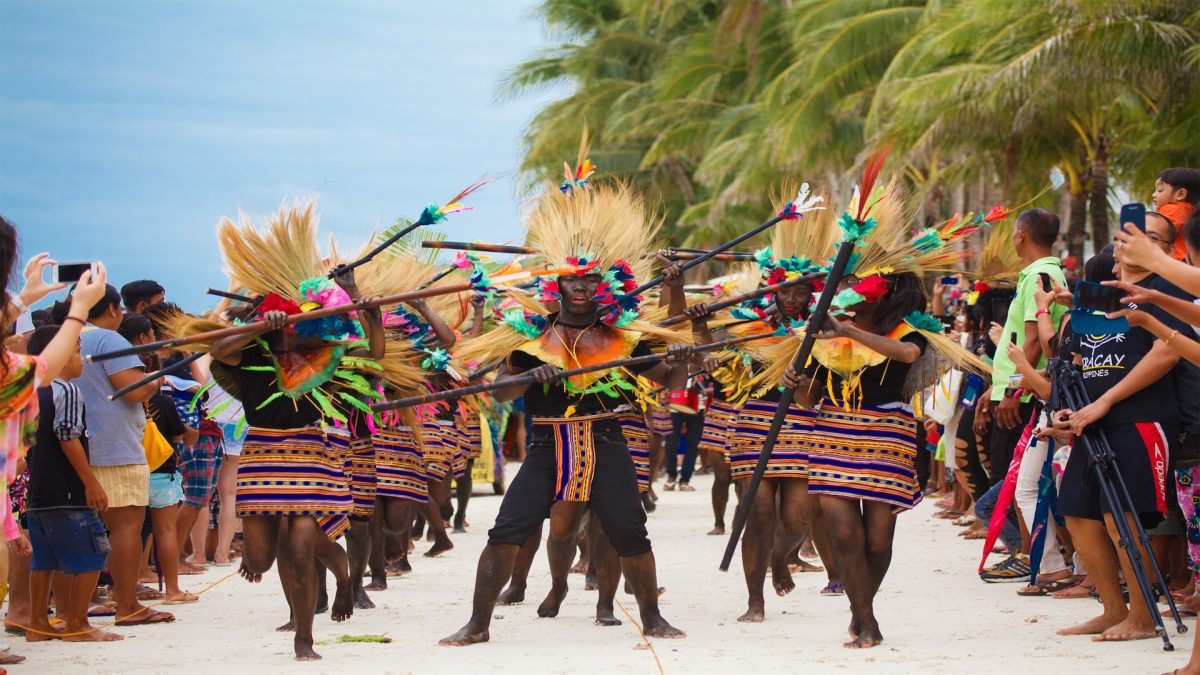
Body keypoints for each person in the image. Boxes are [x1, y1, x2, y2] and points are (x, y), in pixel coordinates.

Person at [441, 181, 689, 646]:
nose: (581, 286)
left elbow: (670, 383)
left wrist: (685, 361)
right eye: (573, 279)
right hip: (546, 446)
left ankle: (652, 617)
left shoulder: (623, 338)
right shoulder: (532, 337)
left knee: (630, 531)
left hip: (606, 443)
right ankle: (478, 623)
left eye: (591, 279)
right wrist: (529, 379)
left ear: (605, 285)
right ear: (557, 283)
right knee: (507, 529)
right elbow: (498, 394)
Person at [1053, 210, 1196, 642]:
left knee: (1123, 518)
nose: (1131, 243)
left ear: (1167, 250)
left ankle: (1142, 615)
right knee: (1077, 511)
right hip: (1092, 420)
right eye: (1125, 236)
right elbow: (1079, 359)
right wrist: (1065, 410)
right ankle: (1111, 608)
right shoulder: (1098, 294)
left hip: (1142, 417)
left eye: (1149, 236)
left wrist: (1104, 403)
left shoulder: (1168, 290)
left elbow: (1166, 353)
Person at [973, 208, 1067, 582]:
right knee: (1009, 481)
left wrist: (1013, 390)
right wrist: (996, 389)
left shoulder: (1040, 276)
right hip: (1017, 389)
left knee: (1013, 483)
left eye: (1013, 232)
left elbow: (1032, 342)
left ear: (1022, 235)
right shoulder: (1036, 274)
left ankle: (1030, 554)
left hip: (1026, 394)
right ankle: (1028, 553)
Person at [72, 285, 174, 627]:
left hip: (74, 446)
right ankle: (127, 603)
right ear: (116, 309)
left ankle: (78, 605)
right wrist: (156, 377)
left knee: (80, 528)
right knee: (126, 526)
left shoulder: (67, 335)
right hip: (114, 447)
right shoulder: (108, 339)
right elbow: (134, 388)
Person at [23, 325, 122, 643]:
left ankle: (38, 622)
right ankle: (78, 623)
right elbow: (68, 437)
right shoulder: (65, 390)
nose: (82, 359)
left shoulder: (30, 390)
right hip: (67, 491)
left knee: (44, 560)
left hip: (39, 491)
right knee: (92, 554)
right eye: (78, 351)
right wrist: (91, 483)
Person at [118, 313, 199, 605]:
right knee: (165, 530)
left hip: (130, 469)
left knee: (130, 531)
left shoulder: (124, 397)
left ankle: (127, 585)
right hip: (162, 474)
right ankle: (173, 589)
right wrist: (192, 431)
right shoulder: (163, 401)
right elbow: (183, 436)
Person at [1153, 167, 1199, 261]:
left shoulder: (1173, 210)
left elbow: (1155, 232)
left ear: (1180, 194)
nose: (1154, 194)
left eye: (1160, 190)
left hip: (1175, 261)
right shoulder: (1191, 212)